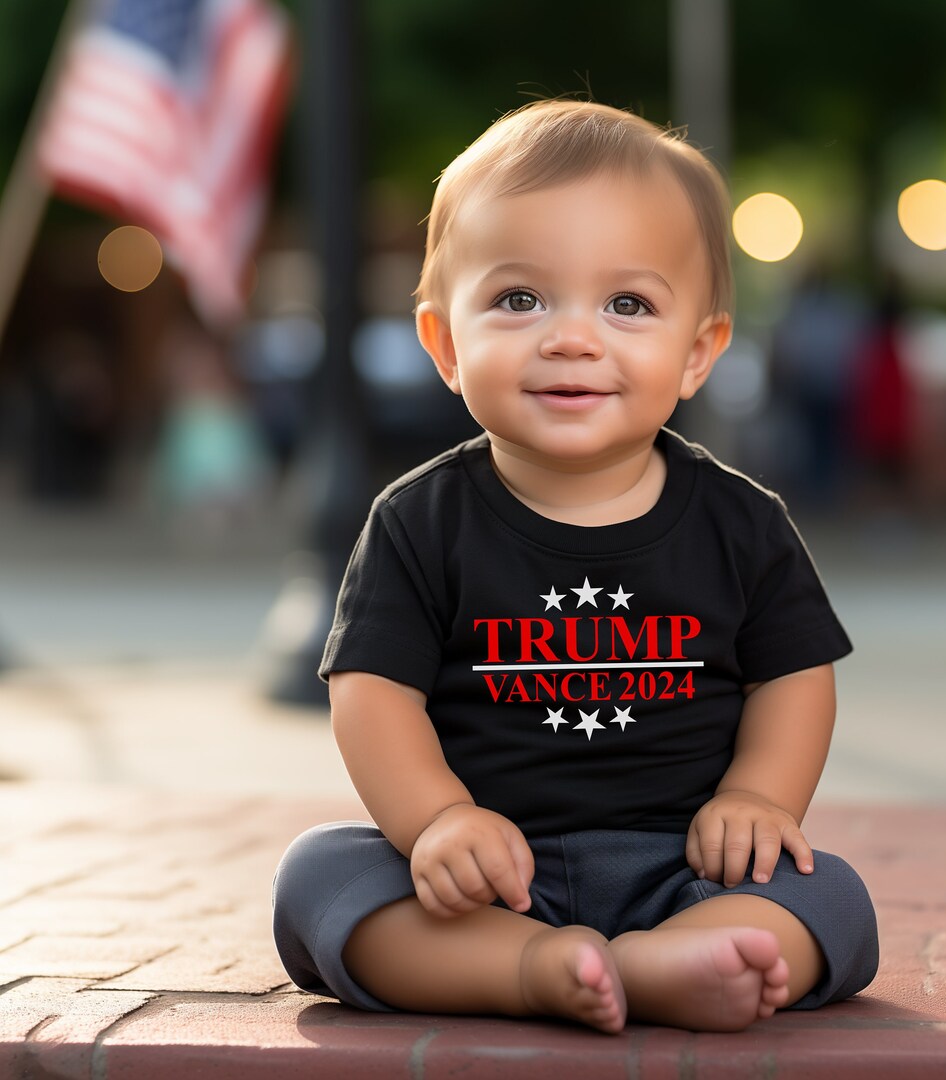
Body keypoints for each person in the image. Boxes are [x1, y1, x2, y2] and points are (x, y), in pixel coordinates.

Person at [272, 99, 878, 1035]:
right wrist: (436, 821)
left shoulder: (741, 523)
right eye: (520, 299)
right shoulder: (418, 520)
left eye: (627, 304)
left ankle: (659, 960)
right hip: (484, 882)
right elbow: (372, 692)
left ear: (698, 352)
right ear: (443, 343)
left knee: (829, 897)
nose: (572, 337)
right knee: (321, 878)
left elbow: (794, 675)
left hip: (689, 867)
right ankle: (527, 968)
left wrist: (757, 798)